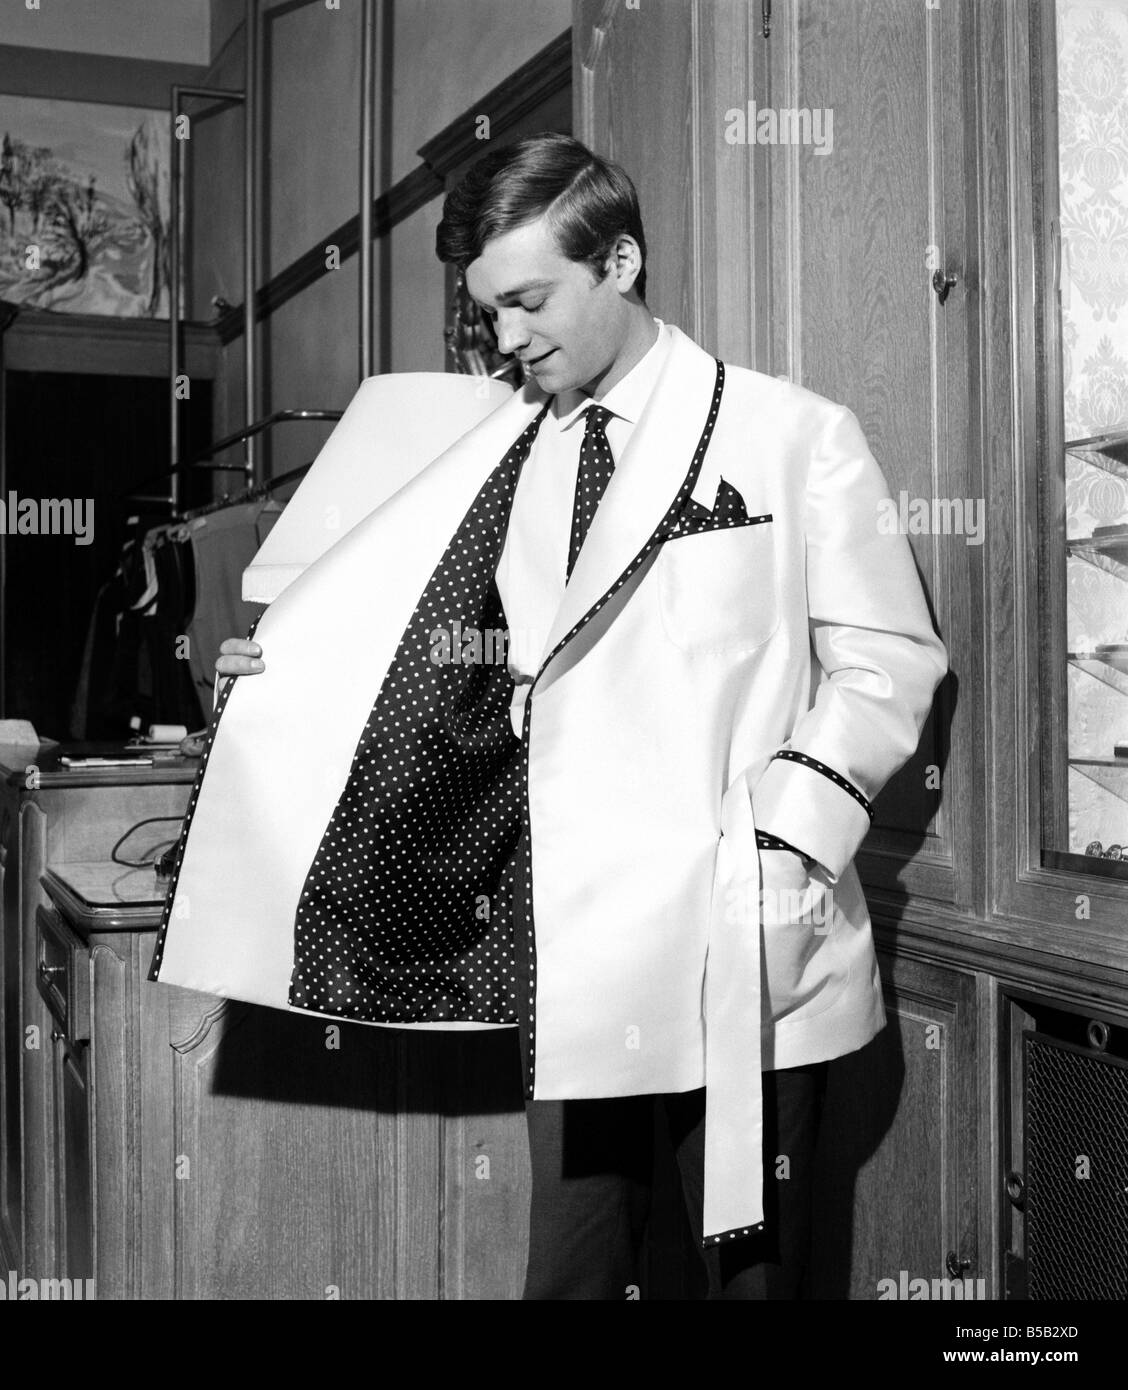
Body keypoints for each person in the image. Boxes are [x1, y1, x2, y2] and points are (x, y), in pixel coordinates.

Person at [170, 133, 948, 1300]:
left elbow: (888, 659)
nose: (507, 339)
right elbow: (435, 658)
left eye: (528, 301)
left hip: (740, 935)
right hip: (578, 954)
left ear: (620, 261)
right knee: (574, 1273)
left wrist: (780, 834)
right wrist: (289, 679)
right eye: (489, 313)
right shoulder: (493, 451)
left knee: (753, 1276)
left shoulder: (791, 435)